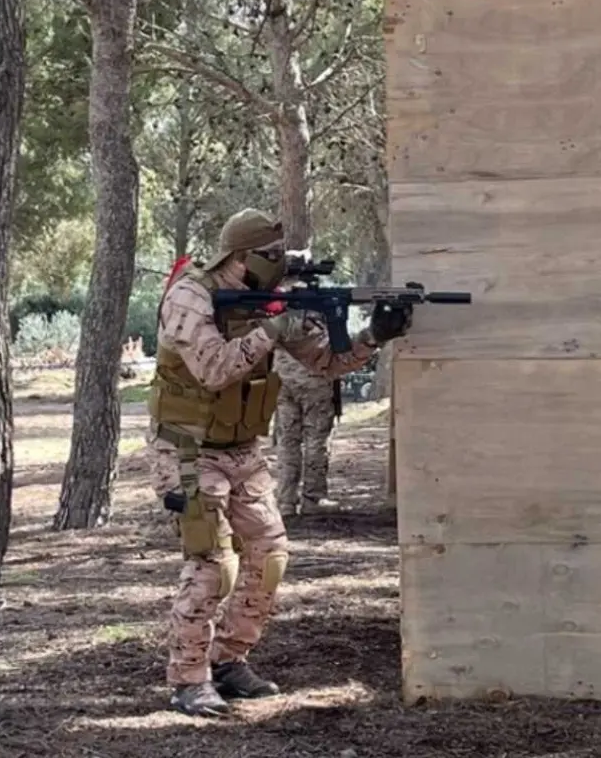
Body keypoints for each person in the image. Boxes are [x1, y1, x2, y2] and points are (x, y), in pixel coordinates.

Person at [148, 208, 413, 718]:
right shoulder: (191, 296)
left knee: (269, 554)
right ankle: (188, 679)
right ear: (241, 257)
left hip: (242, 448)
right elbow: (213, 370)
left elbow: (326, 362)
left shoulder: (267, 300)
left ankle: (228, 660)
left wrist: (373, 336)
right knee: (212, 564)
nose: (279, 264)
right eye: (271, 256)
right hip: (187, 449)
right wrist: (271, 329)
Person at [272, 350, 341, 515]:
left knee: (287, 440)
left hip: (283, 376)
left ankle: (286, 500)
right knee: (316, 441)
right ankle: (313, 498)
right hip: (316, 376)